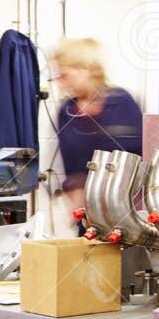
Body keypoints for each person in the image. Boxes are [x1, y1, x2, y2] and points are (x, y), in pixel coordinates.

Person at [49, 37, 143, 222]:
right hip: (89, 215)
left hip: (127, 212)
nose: (61, 83)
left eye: (65, 75)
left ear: (88, 70)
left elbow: (137, 158)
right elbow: (71, 165)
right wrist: (75, 190)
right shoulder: (67, 111)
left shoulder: (122, 102)